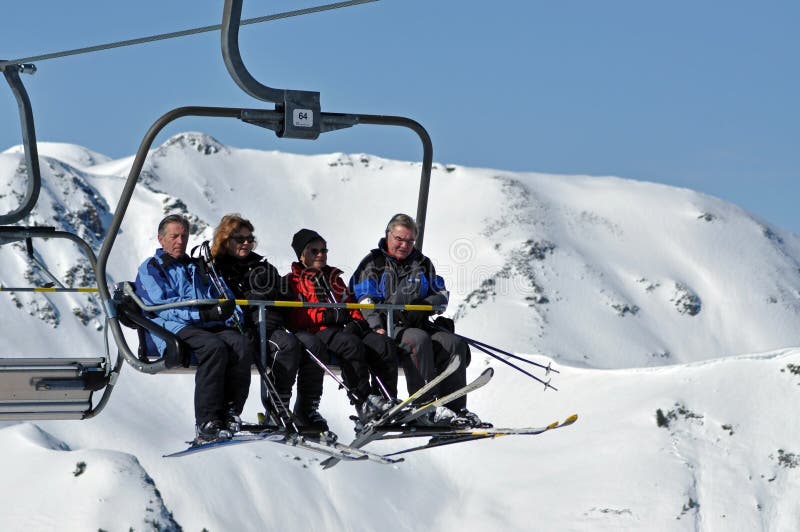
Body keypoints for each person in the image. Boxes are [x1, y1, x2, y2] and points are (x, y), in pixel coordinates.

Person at [349, 213, 485, 427]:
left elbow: (441, 293)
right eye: (399, 239)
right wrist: (376, 325)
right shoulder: (373, 263)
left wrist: (424, 306)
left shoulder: (422, 263)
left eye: (410, 241)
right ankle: (425, 405)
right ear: (388, 235)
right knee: (417, 340)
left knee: (453, 343)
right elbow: (364, 298)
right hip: (389, 326)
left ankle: (455, 408)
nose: (404, 245)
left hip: (417, 322)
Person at [135, 214, 254, 443]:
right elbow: (162, 307)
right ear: (161, 239)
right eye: (174, 236)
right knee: (214, 348)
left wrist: (232, 316)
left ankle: (230, 412)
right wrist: (202, 314)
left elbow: (223, 296)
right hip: (171, 328)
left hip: (206, 324)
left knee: (240, 344)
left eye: (184, 236)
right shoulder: (151, 269)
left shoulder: (195, 267)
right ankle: (207, 420)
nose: (180, 241)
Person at [210, 214, 329, 431]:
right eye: (240, 239)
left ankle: (306, 408)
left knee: (313, 345)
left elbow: (284, 295)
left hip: (272, 324)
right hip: (246, 328)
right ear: (226, 240)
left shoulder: (261, 267)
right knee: (286, 345)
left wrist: (269, 295)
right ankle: (277, 406)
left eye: (249, 239)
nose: (246, 243)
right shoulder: (217, 269)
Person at [286, 228, 399, 426]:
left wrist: (357, 321)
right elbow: (297, 315)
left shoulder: (334, 279)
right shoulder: (293, 281)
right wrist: (328, 315)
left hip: (343, 329)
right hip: (318, 331)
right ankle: (364, 401)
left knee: (383, 343)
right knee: (351, 345)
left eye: (324, 250)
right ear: (302, 254)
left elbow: (351, 303)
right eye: (315, 251)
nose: (321, 255)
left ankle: (386, 398)